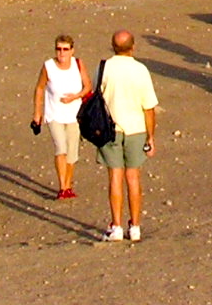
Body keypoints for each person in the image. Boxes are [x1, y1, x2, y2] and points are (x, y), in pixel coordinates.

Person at [98, 29, 158, 242]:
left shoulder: (105, 68)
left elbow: (99, 96)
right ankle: (135, 226)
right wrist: (151, 136)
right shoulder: (140, 70)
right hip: (136, 129)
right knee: (133, 177)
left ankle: (116, 225)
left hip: (110, 129)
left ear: (113, 46)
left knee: (115, 176)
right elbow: (149, 107)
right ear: (133, 47)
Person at [32, 33, 92, 200]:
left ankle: (68, 184)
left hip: (74, 115)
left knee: (72, 152)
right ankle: (62, 186)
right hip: (54, 114)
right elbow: (39, 88)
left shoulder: (78, 64)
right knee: (61, 148)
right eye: (58, 49)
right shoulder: (48, 66)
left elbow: (88, 86)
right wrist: (37, 113)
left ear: (72, 50)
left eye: (65, 49)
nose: (62, 53)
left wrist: (75, 96)